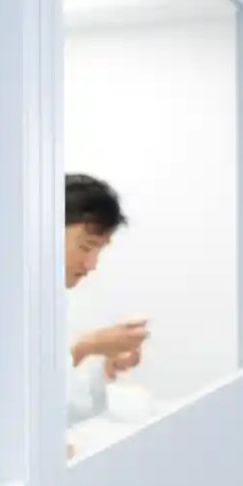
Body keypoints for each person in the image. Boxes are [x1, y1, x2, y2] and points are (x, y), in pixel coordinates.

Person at [64, 173, 149, 425]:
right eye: (86, 247)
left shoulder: (54, 303)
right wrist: (83, 347)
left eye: (99, 250)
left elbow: (71, 409)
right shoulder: (1, 302)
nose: (91, 265)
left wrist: (106, 369)